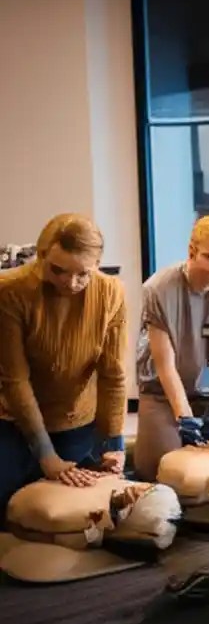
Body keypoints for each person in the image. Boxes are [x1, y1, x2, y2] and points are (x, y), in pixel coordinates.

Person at [0, 215, 126, 513]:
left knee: (87, 505)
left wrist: (114, 444)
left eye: (83, 273)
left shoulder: (111, 292)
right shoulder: (10, 291)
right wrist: (46, 455)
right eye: (58, 271)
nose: (71, 283)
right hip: (12, 422)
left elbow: (113, 375)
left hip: (75, 421)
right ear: (41, 256)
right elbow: (15, 381)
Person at [133, 215, 209, 481]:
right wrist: (184, 418)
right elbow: (165, 365)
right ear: (192, 251)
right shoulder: (158, 289)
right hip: (160, 392)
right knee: (158, 469)